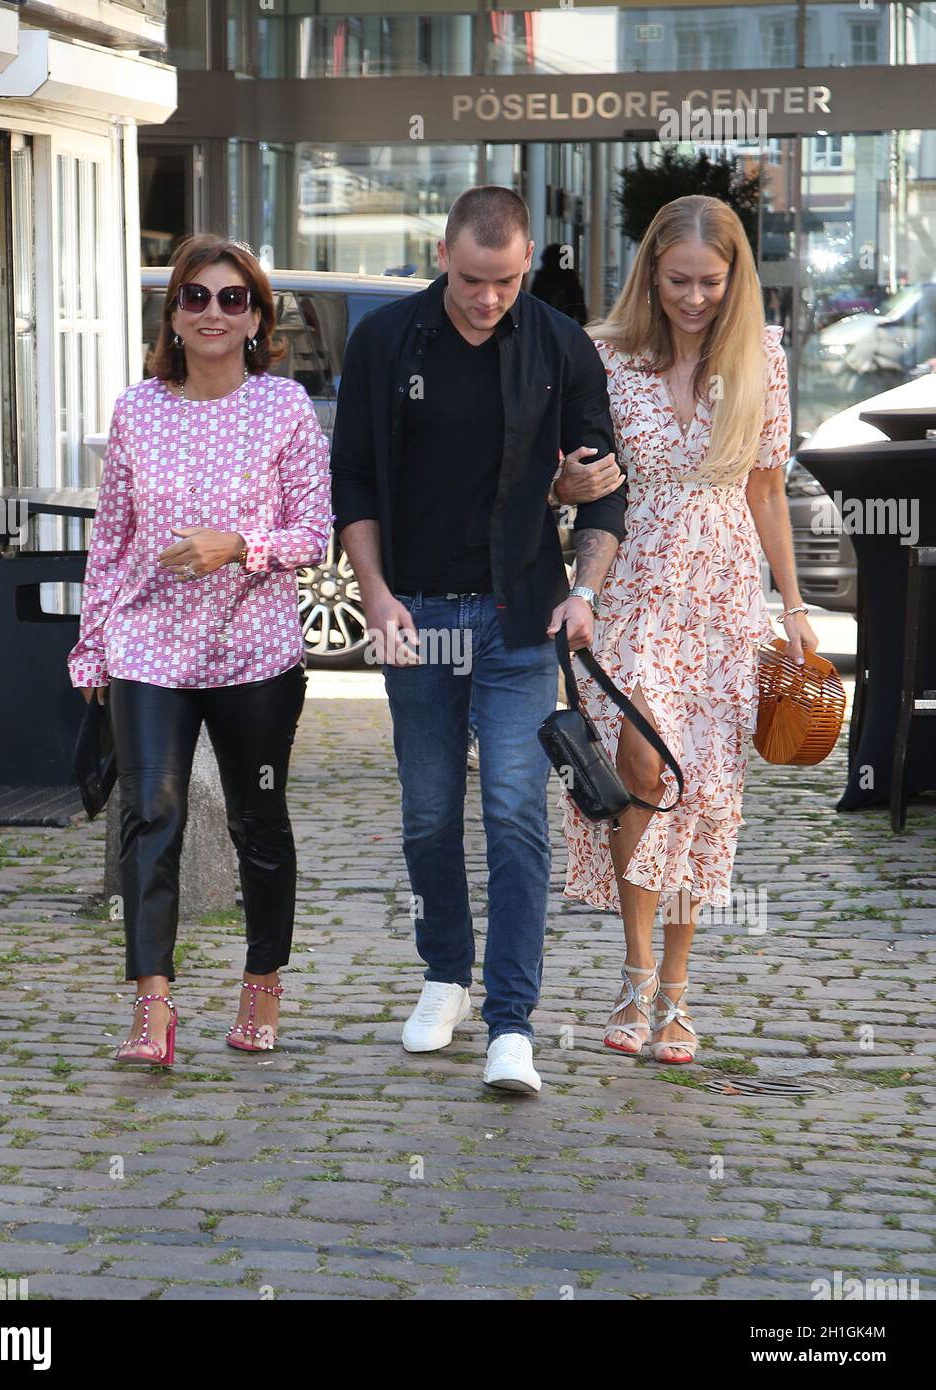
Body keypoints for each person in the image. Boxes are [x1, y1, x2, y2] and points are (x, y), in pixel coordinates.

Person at [332, 185, 627, 1093]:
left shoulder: (559, 343)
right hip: (416, 614)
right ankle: (444, 974)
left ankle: (512, 1022)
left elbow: (605, 485)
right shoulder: (386, 342)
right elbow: (357, 484)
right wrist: (375, 597)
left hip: (517, 619)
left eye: (504, 281)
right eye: (470, 278)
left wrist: (586, 590)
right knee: (427, 814)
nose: (486, 297)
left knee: (512, 812)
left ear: (526, 263)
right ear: (440, 252)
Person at [556, 194, 818, 1064]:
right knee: (639, 766)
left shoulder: (763, 358)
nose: (695, 297)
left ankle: (675, 991)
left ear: (735, 276)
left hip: (718, 593)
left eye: (711, 280)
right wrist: (566, 491)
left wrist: (796, 611)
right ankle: (634, 975)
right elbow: (579, 477)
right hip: (630, 580)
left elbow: (768, 489)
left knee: (698, 787)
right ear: (650, 273)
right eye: (679, 280)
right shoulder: (605, 354)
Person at [68, 233, 331, 1066]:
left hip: (254, 653)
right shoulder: (136, 409)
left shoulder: (283, 407)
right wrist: (92, 648)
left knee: (259, 820)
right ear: (172, 313)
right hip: (148, 651)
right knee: (153, 816)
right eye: (196, 297)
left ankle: (262, 985)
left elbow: (313, 534)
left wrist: (237, 546)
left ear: (257, 317)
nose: (213, 312)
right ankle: (154, 1009)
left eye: (233, 298)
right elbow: (111, 542)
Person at [529, 242, 588, 324]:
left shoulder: (541, 279)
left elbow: (532, 304)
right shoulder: (570, 279)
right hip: (564, 325)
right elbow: (580, 309)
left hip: (544, 325)